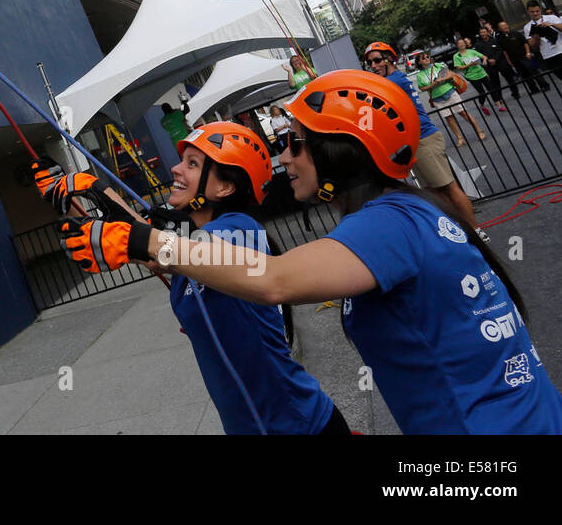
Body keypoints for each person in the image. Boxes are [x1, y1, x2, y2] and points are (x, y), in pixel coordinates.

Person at [58, 71, 562, 433]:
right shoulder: (407, 212)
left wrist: (143, 239)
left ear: (339, 150)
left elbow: (271, 280)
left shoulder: (387, 224)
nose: (285, 157)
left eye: (295, 144)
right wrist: (99, 206)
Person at [50, 123, 347, 434]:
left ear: (225, 188)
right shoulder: (188, 245)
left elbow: (167, 247)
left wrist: (132, 237)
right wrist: (93, 190)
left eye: (193, 164)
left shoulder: (238, 230)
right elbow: (152, 244)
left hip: (301, 427)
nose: (176, 168)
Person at [361, 42, 485, 239]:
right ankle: (458, 231)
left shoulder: (394, 81)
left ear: (389, 59)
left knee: (448, 187)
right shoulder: (392, 79)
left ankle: (476, 233)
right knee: (433, 191)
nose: (373, 65)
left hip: (423, 139)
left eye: (377, 60)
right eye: (370, 63)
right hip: (413, 141)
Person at [415, 50, 485, 146]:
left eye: (427, 57)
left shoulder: (438, 66)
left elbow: (450, 75)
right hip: (437, 99)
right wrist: (433, 85)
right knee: (449, 118)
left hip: (450, 93)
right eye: (424, 58)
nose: (427, 59)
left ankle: (479, 131)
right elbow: (422, 88)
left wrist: (442, 79)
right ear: (419, 62)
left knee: (463, 113)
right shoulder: (419, 75)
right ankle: (460, 138)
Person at [452, 38, 501, 115]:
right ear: (457, 46)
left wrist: (484, 60)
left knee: (491, 89)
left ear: (465, 44)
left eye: (463, 43)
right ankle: (481, 105)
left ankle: (499, 106)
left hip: (481, 73)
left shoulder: (471, 51)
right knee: (482, 93)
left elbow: (484, 56)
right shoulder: (456, 56)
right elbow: (458, 67)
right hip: (472, 76)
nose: (461, 44)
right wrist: (470, 65)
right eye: (459, 43)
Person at [496, 20, 548, 94]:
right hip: (515, 60)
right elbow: (504, 51)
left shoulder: (515, 33)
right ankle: (534, 89)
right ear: (499, 29)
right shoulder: (500, 39)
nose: (504, 27)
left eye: (505, 25)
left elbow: (525, 43)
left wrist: (528, 53)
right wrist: (509, 61)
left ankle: (544, 85)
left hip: (524, 57)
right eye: (502, 26)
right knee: (524, 76)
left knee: (533, 72)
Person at [523, 1, 562, 87]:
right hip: (549, 56)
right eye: (532, 12)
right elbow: (534, 47)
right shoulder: (527, 27)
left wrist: (551, 25)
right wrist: (536, 36)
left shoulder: (552, 17)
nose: (535, 13)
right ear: (528, 11)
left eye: (537, 11)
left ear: (540, 9)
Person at [471, 23, 509, 109]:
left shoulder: (493, 40)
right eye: (481, 33)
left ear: (487, 32)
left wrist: (495, 59)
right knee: (495, 83)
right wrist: (488, 60)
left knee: (508, 78)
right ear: (479, 34)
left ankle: (515, 93)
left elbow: (500, 50)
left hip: (499, 63)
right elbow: (478, 56)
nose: (483, 34)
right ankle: (498, 98)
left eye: (484, 32)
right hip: (489, 66)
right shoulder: (477, 44)